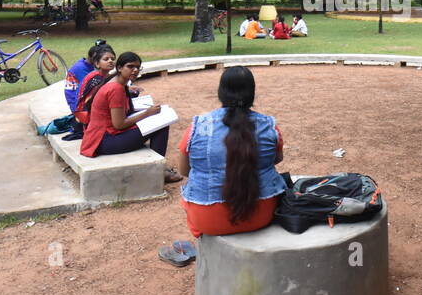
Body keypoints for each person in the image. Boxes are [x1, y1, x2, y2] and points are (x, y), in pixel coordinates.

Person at [174, 66, 285, 246]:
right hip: (261, 213)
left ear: (221, 92)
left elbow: (184, 170)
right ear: (252, 93)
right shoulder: (268, 125)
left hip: (208, 218)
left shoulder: (198, 126)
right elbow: (277, 159)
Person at [81, 51, 181, 183]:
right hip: (104, 141)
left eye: (137, 67)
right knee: (161, 127)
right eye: (130, 66)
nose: (135, 70)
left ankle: (157, 168)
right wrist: (146, 113)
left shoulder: (116, 83)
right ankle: (158, 172)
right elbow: (119, 124)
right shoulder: (115, 89)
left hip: (101, 136)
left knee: (155, 121)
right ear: (119, 68)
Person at [63, 43, 116, 141]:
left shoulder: (98, 74)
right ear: (96, 62)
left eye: (113, 59)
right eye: (106, 59)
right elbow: (92, 102)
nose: (110, 61)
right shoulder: (93, 77)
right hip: (82, 113)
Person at [64, 39, 109, 113]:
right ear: (95, 59)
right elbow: (97, 87)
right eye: (105, 59)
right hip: (77, 105)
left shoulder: (90, 65)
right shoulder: (81, 69)